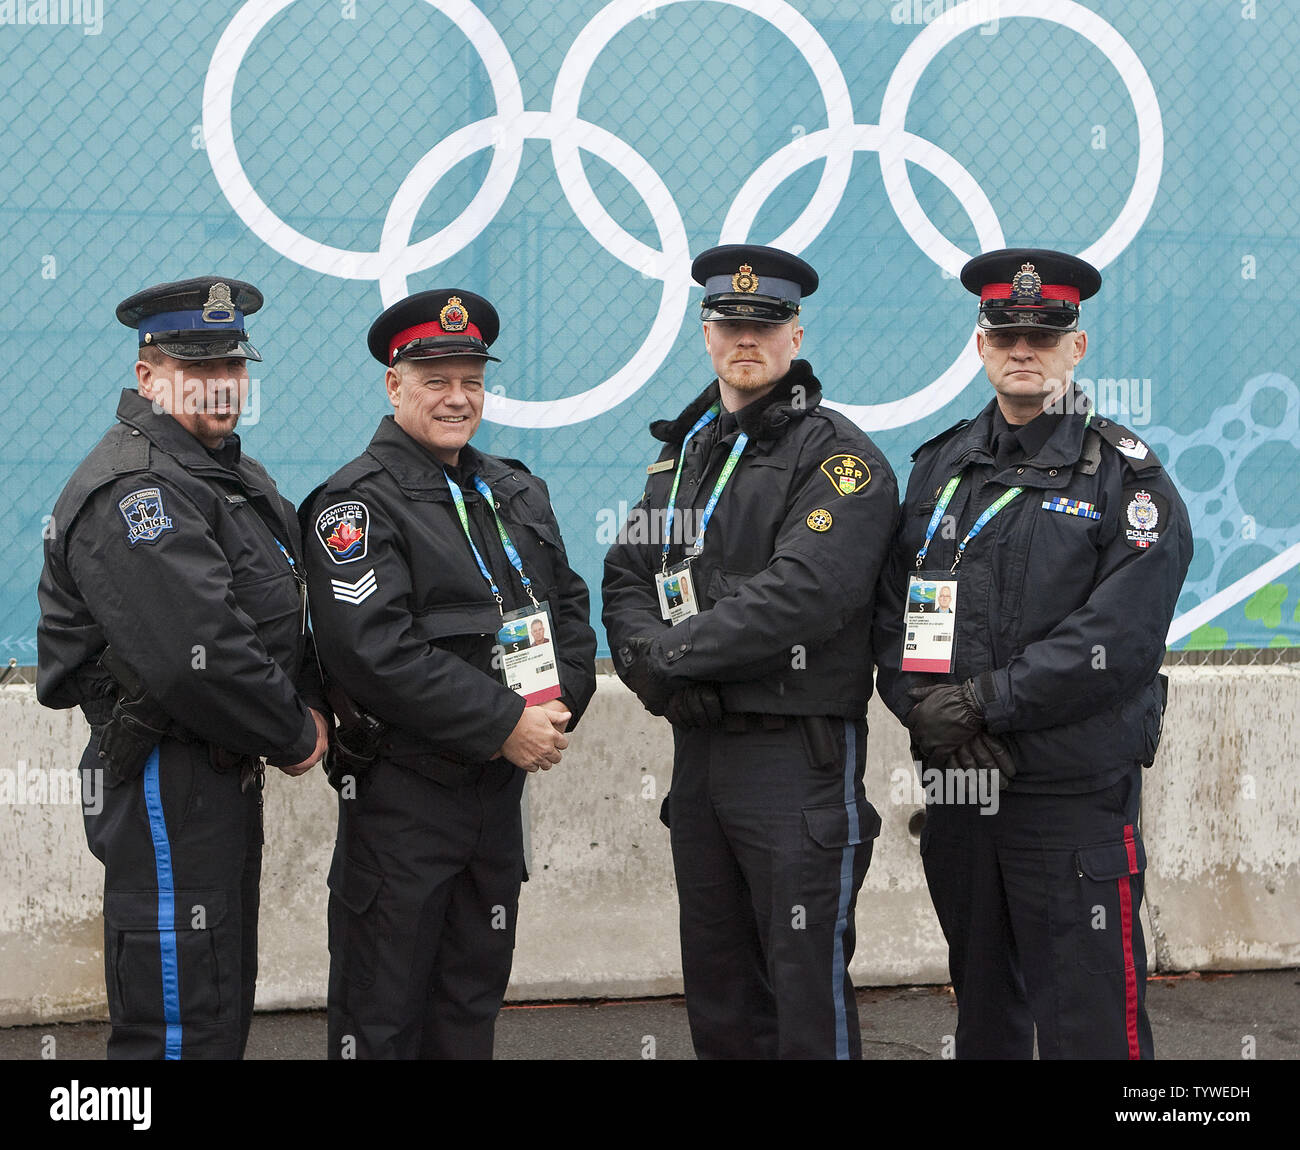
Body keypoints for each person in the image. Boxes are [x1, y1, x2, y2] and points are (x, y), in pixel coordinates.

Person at [874, 248, 1192, 1059]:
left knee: (1091, 1028)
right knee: (986, 1020)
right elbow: (891, 613)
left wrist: (984, 704)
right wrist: (929, 714)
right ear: (980, 345)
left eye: (1044, 335)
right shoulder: (938, 469)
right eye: (1006, 332)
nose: (1024, 348)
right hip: (961, 787)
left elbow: (1116, 641)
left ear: (1075, 348)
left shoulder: (1129, 480)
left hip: (1071, 796)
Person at [602, 244, 898, 1059]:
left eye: (765, 324)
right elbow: (626, 575)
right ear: (707, 332)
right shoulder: (684, 457)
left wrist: (676, 657)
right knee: (720, 987)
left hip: (793, 760)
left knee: (803, 991)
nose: (747, 338)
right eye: (731, 323)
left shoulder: (838, 460)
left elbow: (802, 595)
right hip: (700, 755)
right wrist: (658, 675)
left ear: (794, 336)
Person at [36, 277, 330, 1059]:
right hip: (168, 771)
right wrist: (295, 731)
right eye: (197, 368)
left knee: (217, 993)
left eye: (233, 367)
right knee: (178, 1014)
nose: (221, 384)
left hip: (215, 768)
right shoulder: (139, 488)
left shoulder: (222, 469)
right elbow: (196, 654)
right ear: (147, 376)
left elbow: (279, 610)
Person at [302, 288, 596, 1060]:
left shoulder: (516, 489)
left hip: (496, 799)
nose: (457, 397)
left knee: (469, 1007)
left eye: (470, 379)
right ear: (394, 385)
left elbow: (568, 606)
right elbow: (374, 650)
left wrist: (555, 710)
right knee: (383, 1012)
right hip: (405, 801)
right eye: (435, 379)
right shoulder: (354, 506)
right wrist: (506, 724)